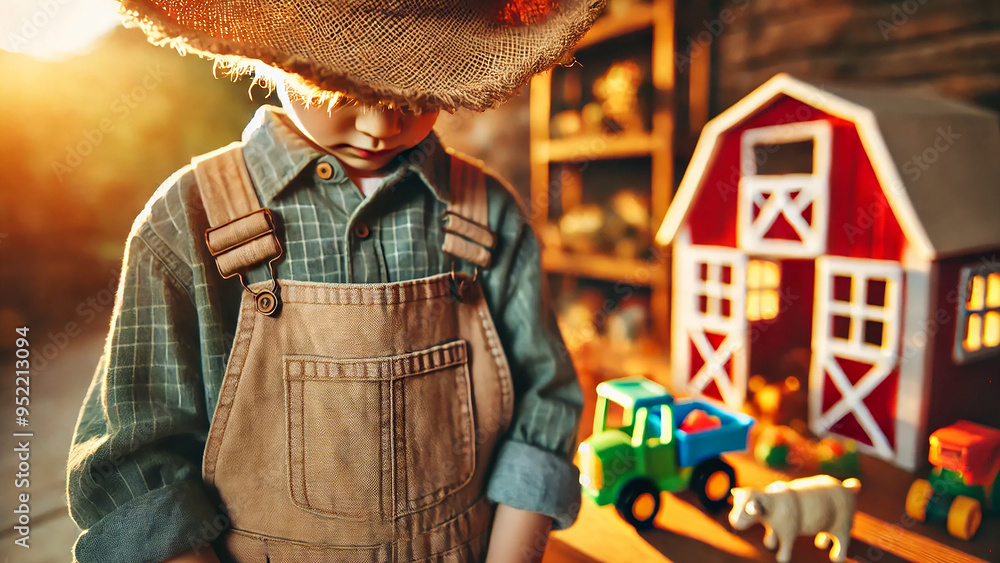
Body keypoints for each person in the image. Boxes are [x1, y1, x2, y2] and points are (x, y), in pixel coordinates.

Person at [66, 1, 604, 562]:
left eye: (416, 94)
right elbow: (137, 468)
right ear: (274, 54)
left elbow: (545, 403)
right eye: (345, 91)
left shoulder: (490, 214)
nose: (381, 127)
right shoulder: (188, 219)